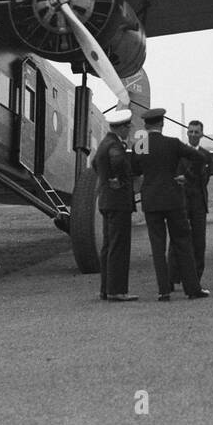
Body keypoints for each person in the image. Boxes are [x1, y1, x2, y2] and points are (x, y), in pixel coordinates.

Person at [131, 107, 211, 301]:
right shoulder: (173, 144)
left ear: (146, 125)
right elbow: (199, 158)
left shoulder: (141, 145)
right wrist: (188, 176)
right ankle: (193, 289)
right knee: (182, 242)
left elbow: (134, 169)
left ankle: (164, 290)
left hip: (151, 201)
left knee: (157, 247)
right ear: (162, 123)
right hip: (174, 200)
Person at [93, 109, 138, 302]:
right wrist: (119, 179)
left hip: (106, 200)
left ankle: (106, 289)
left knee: (108, 246)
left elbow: (95, 163)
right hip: (119, 202)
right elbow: (118, 160)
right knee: (119, 247)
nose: (129, 129)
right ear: (120, 127)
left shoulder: (104, 143)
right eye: (127, 126)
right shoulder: (115, 146)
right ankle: (117, 290)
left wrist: (105, 179)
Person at [170, 119, 211, 288]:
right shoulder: (179, 153)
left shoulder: (206, 155)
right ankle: (172, 277)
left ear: (202, 134)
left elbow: (205, 177)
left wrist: (186, 179)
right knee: (176, 241)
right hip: (181, 203)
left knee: (199, 242)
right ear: (187, 133)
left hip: (199, 204)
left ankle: (196, 278)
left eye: (196, 132)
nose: (193, 135)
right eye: (191, 132)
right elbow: (175, 175)